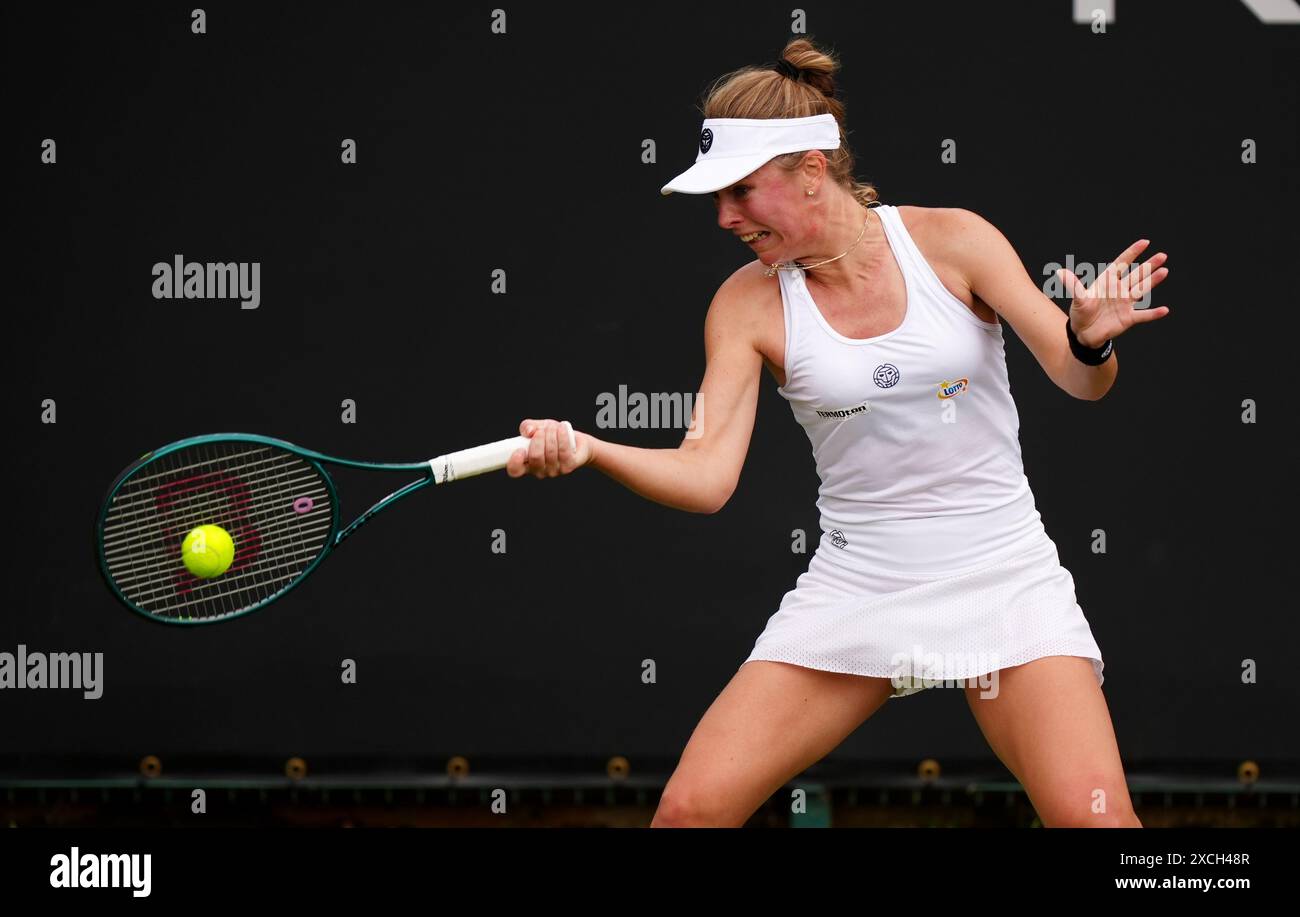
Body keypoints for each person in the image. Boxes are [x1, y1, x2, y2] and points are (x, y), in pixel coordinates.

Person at [506, 38, 1170, 828]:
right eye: (717, 198)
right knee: (689, 812)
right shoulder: (744, 305)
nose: (724, 217)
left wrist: (1090, 338)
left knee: (1098, 824)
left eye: (742, 191)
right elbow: (707, 474)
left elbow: (1079, 377)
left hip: (1003, 577)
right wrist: (590, 448)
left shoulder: (955, 240)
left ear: (812, 170)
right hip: (859, 589)